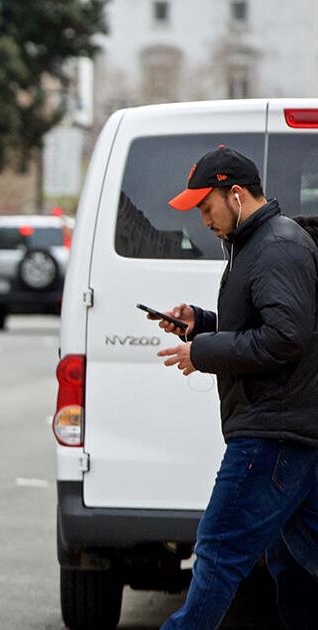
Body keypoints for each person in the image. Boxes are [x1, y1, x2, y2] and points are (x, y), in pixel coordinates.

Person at [152, 146, 318, 629]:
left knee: (218, 553)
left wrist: (202, 353)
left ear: (237, 195)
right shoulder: (256, 244)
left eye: (206, 206)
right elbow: (263, 326)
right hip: (289, 433)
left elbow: (285, 339)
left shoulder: (277, 247)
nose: (202, 219)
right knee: (297, 566)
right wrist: (200, 325)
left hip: (272, 436)